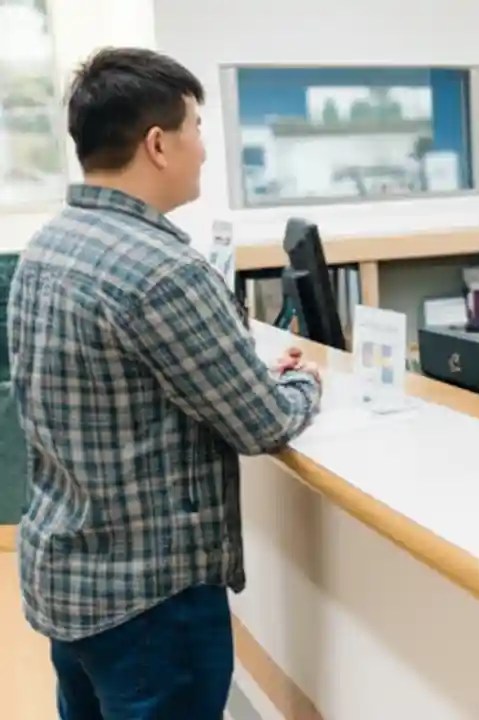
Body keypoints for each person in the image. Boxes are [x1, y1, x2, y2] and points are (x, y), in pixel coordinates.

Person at [6, 48, 322, 719]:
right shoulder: (163, 270)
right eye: (197, 127)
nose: (203, 149)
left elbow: (117, 389)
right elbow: (264, 425)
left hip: (70, 581)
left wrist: (236, 376)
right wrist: (306, 387)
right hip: (151, 604)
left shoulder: (49, 246)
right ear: (157, 143)